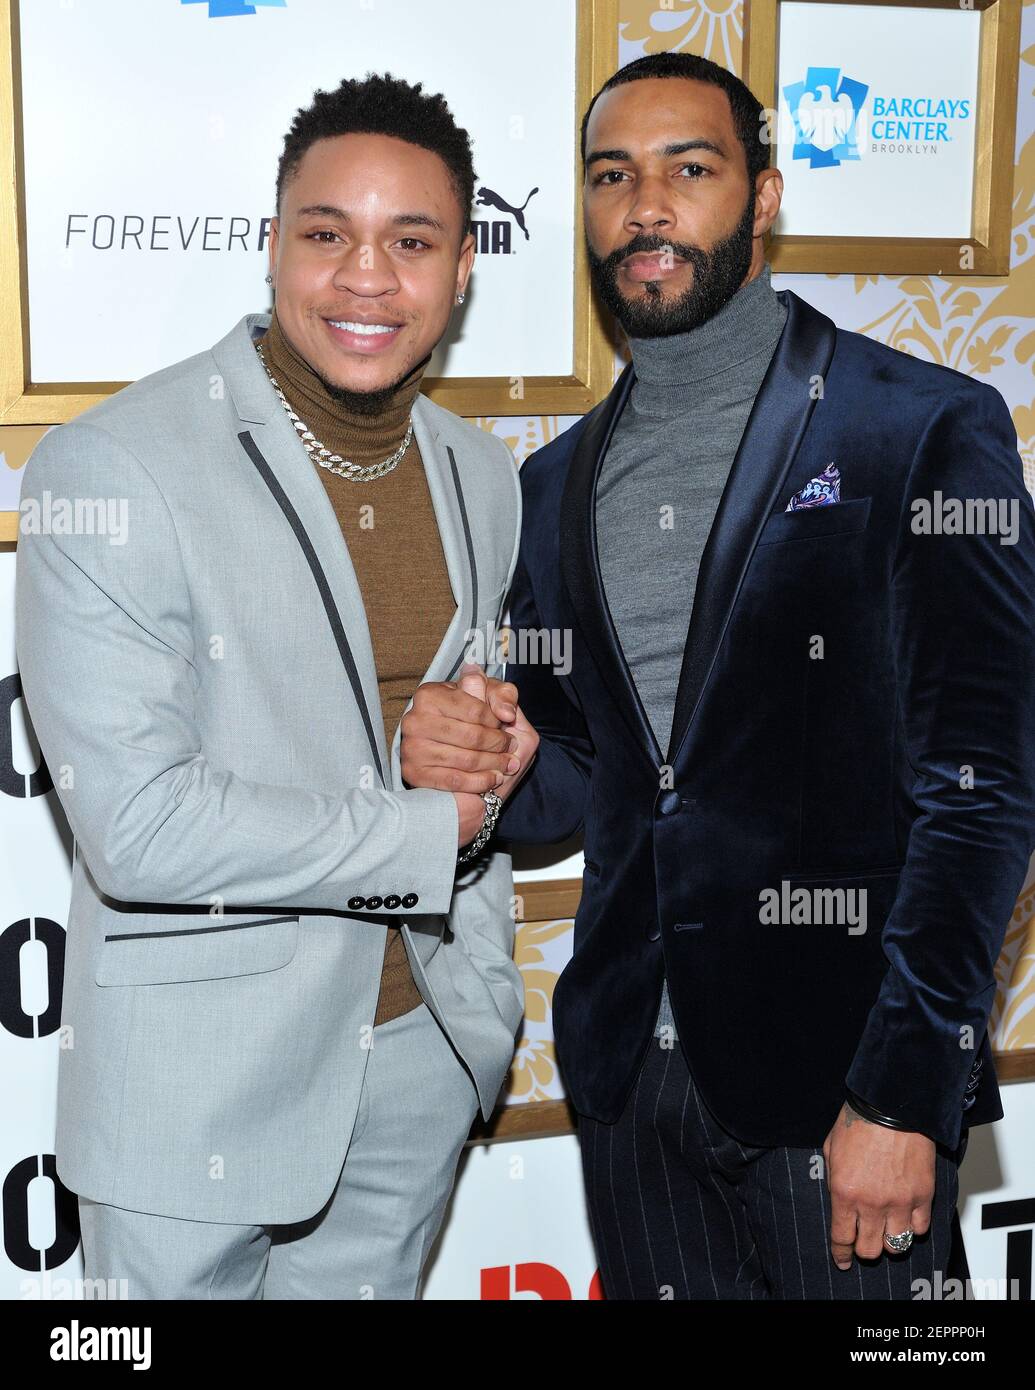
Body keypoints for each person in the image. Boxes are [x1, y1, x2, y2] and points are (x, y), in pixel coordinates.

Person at [399, 52, 1035, 1299]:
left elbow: (987, 791)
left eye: (690, 169)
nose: (648, 207)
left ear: (764, 194)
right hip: (640, 1091)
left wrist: (904, 1092)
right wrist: (487, 767)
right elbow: (587, 768)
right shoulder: (551, 487)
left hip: (848, 1094)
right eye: (612, 177)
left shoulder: (921, 428)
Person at [15, 71, 524, 1300]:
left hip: (416, 1056)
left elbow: (448, 741)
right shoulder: (115, 467)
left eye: (412, 241)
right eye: (326, 234)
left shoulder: (479, 471)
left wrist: (490, 761)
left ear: (462, 272)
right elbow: (137, 827)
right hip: (197, 1091)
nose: (366, 276)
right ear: (272, 247)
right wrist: (423, 823)